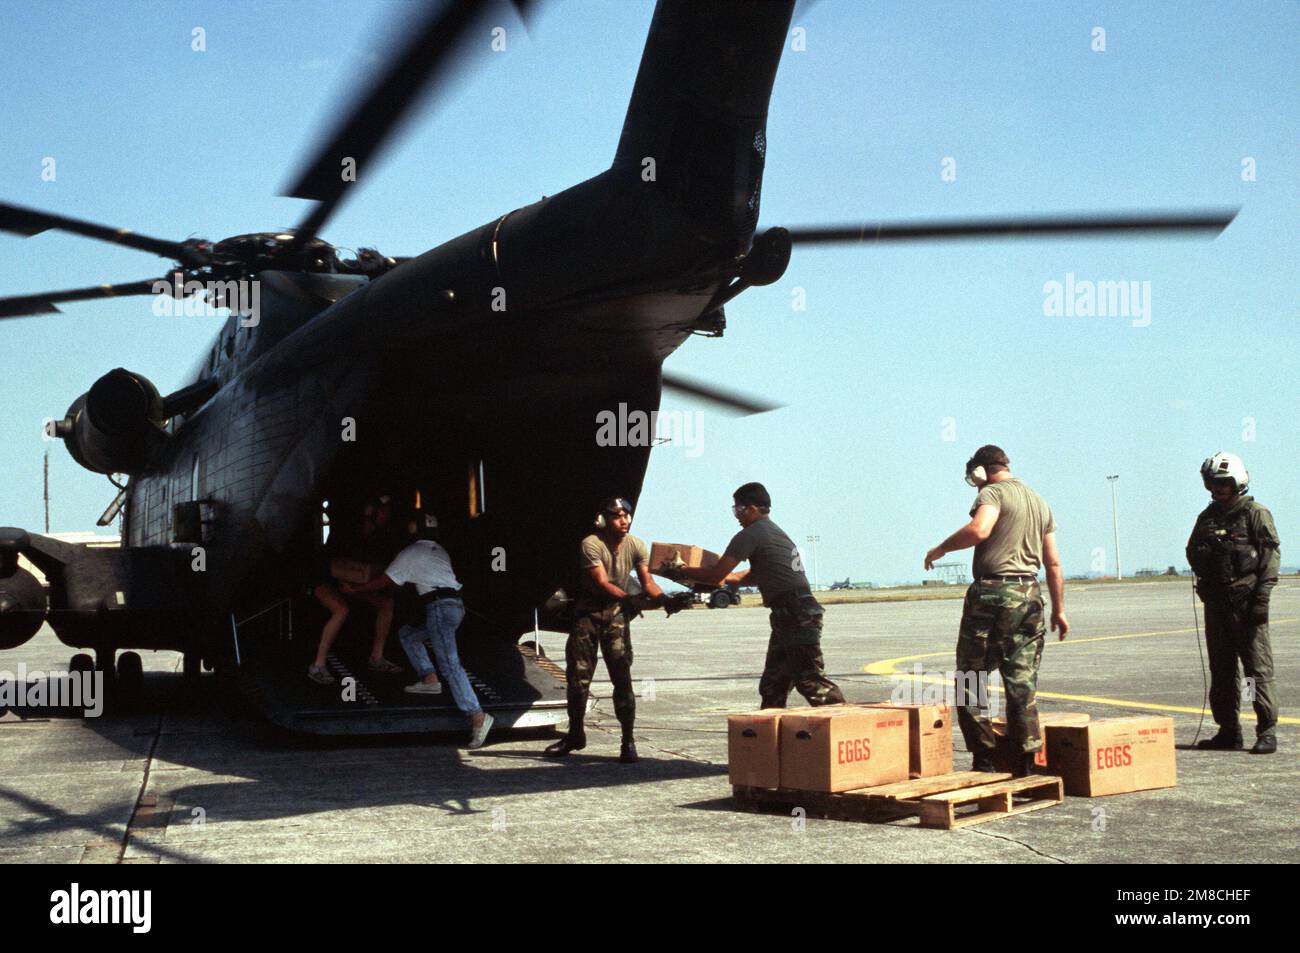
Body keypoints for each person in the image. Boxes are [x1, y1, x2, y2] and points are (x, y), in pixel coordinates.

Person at [924, 446, 1068, 777]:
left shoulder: (993, 492)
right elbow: (1053, 562)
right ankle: (1026, 761)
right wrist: (1060, 610)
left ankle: (985, 758)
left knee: (971, 677)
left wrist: (941, 548)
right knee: (1021, 680)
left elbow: (979, 530)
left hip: (993, 593)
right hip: (1031, 595)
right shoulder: (1039, 500)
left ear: (980, 470)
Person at [669, 482, 845, 710]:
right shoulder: (774, 532)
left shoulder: (749, 534)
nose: (736, 516)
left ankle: (845, 726)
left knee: (810, 680)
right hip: (791, 612)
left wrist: (681, 570)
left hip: (794, 612)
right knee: (774, 683)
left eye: (738, 510)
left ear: (751, 509)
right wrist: (726, 577)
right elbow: (754, 575)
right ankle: (768, 737)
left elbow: (715, 575)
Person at [341, 513, 493, 750]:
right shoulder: (440, 551)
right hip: (455, 606)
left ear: (415, 533)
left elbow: (384, 581)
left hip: (439, 608)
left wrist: (355, 590)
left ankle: (478, 717)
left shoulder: (410, 552)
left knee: (450, 665)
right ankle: (429, 679)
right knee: (409, 635)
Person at [545, 497, 664, 763]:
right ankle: (576, 735)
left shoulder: (636, 545)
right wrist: (630, 599)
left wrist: (664, 599)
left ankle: (628, 741)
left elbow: (648, 581)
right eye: (617, 516)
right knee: (578, 682)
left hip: (616, 619)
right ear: (603, 519)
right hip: (587, 617)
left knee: (622, 680)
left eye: (627, 515)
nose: (624, 521)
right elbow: (601, 582)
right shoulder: (591, 544)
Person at [1186, 452, 1279, 755]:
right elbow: (1192, 551)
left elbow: (1270, 558)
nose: (1217, 488)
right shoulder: (1208, 518)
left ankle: (1265, 730)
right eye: (1212, 483)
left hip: (1247, 606)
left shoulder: (1255, 514)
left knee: (1254, 672)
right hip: (1218, 607)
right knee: (1223, 672)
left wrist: (1261, 600)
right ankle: (1229, 730)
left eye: (1222, 483)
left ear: (1237, 482)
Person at [308, 495, 403, 685]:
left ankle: (377, 657)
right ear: (372, 513)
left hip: (352, 583)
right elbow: (334, 564)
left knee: (386, 603)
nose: (387, 516)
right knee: (341, 609)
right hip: (325, 579)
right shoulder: (348, 531)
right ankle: (318, 665)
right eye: (383, 512)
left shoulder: (379, 537)